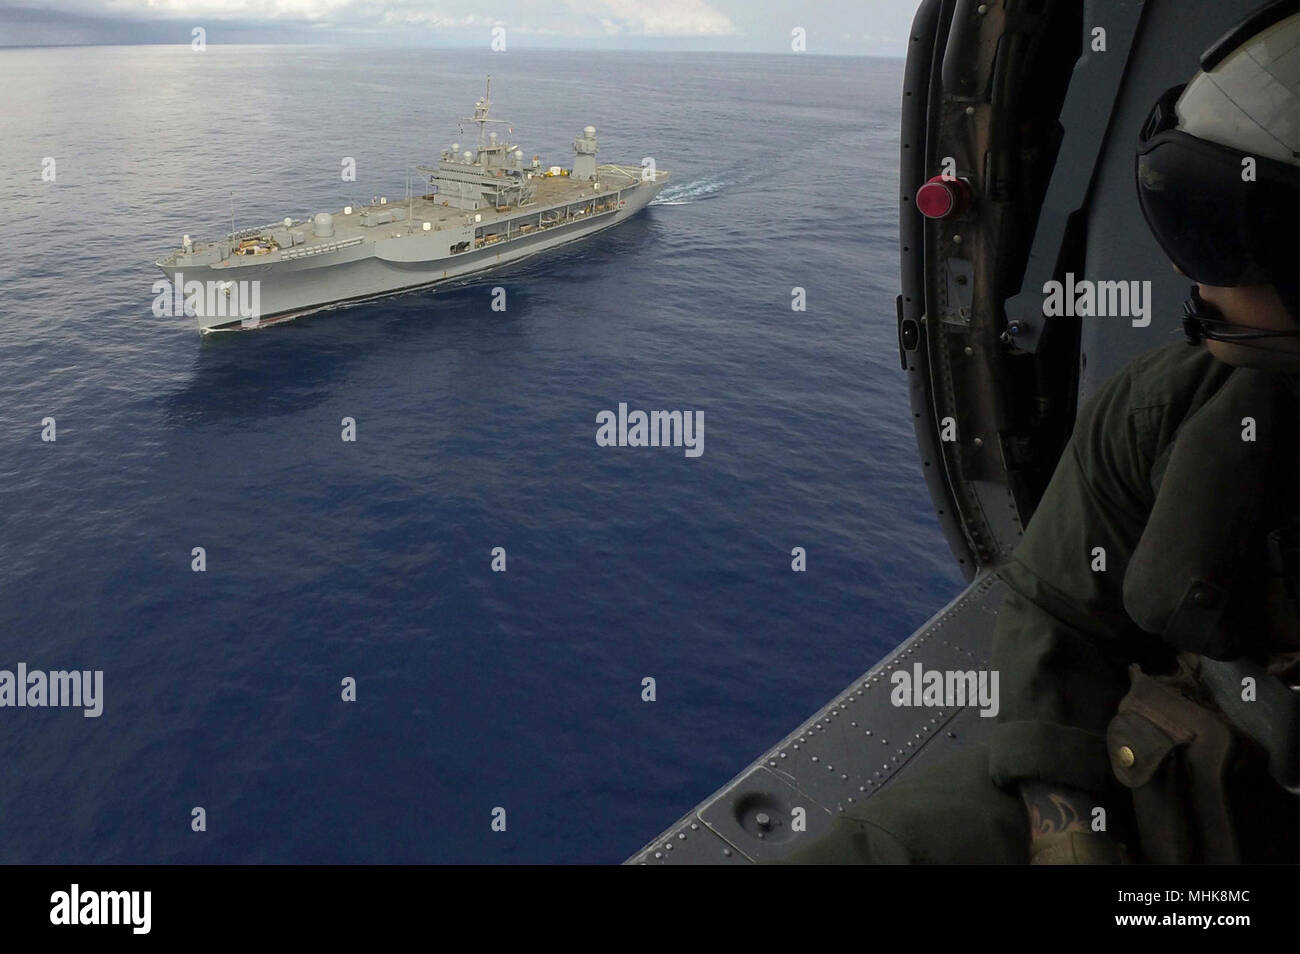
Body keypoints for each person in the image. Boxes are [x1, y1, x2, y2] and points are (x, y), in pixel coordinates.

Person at [789, 1, 1299, 864]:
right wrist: (1068, 831)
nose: (1180, 266)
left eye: (1213, 227)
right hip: (1205, 786)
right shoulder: (1175, 406)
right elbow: (1062, 607)